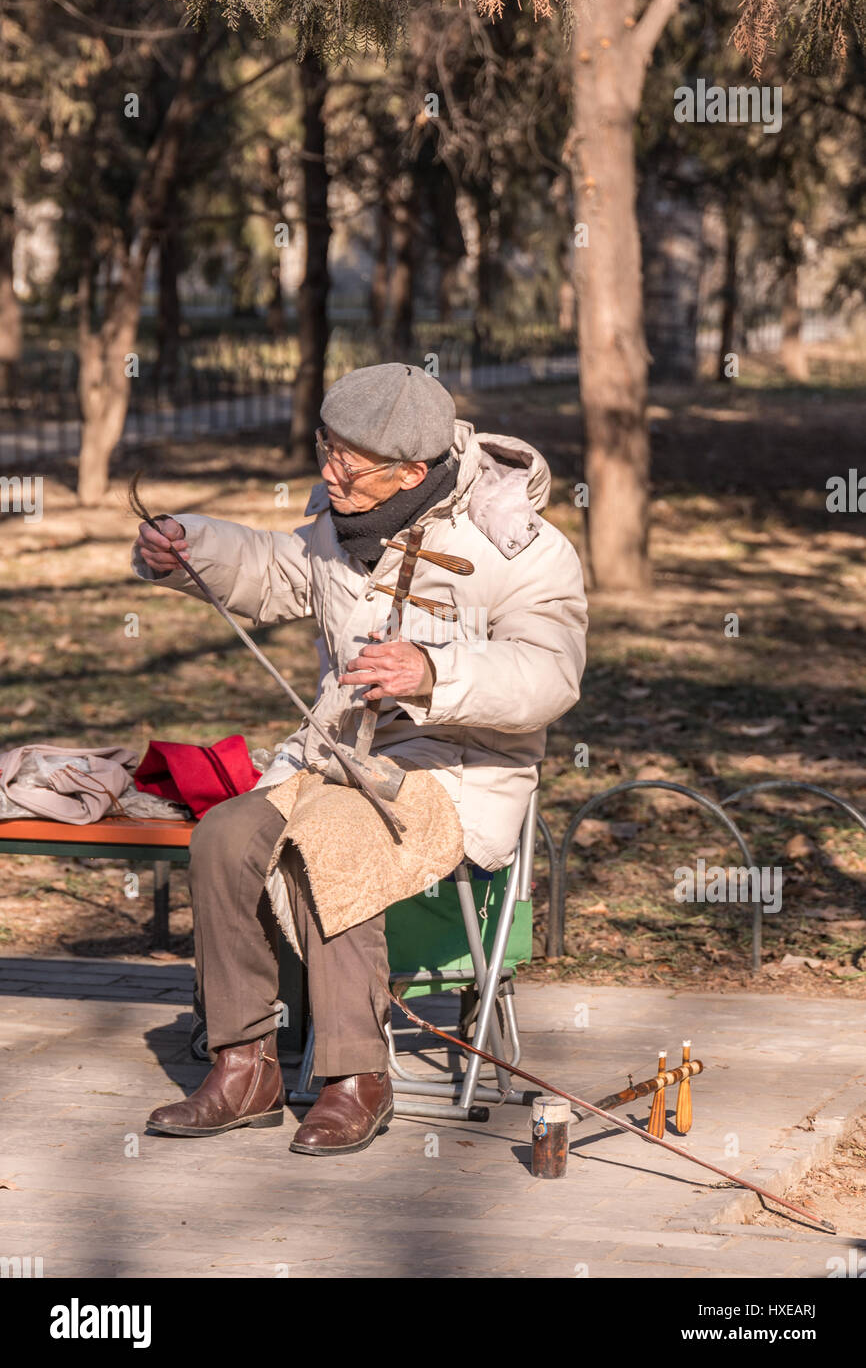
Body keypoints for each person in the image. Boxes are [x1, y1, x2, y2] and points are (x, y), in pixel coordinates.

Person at [131, 362, 588, 1155]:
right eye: (325, 447)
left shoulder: (524, 549)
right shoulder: (342, 515)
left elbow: (551, 676)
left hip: (460, 772)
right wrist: (191, 546)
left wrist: (435, 673)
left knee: (333, 836)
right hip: (338, 758)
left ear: (413, 471)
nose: (327, 470)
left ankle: (356, 1077)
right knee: (225, 835)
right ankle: (245, 1067)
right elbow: (282, 574)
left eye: (348, 461)